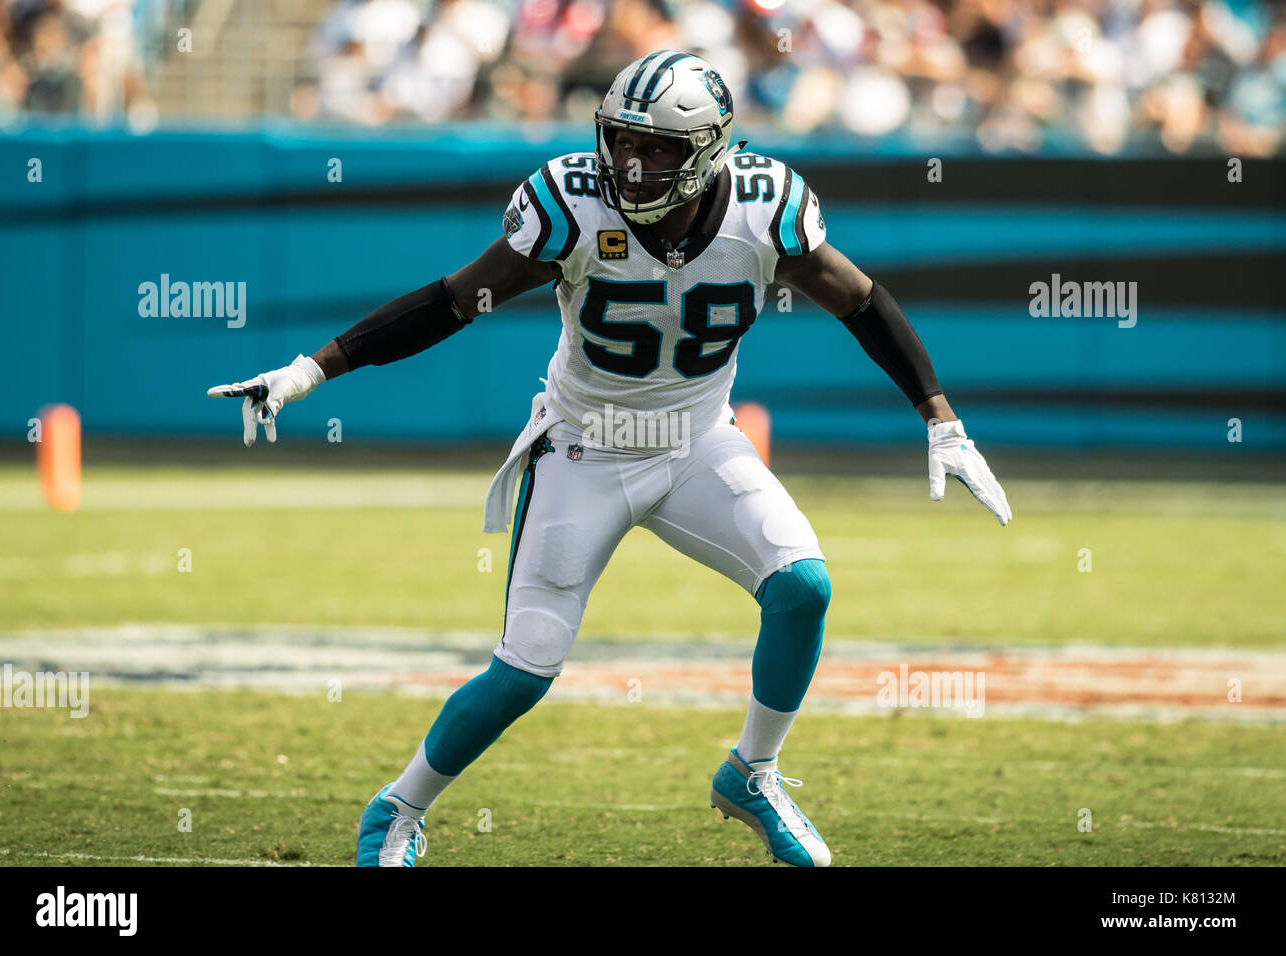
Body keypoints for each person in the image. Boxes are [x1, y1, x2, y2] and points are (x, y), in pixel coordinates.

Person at [208, 50, 1012, 868]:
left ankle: (753, 773)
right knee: (524, 672)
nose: (631, 164)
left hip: (698, 442)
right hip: (582, 450)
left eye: (657, 147)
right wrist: (312, 368)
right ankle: (398, 808)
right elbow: (454, 300)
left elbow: (862, 300)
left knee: (803, 586)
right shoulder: (570, 205)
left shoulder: (769, 210)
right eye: (621, 141)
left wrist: (939, 417)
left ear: (708, 149)